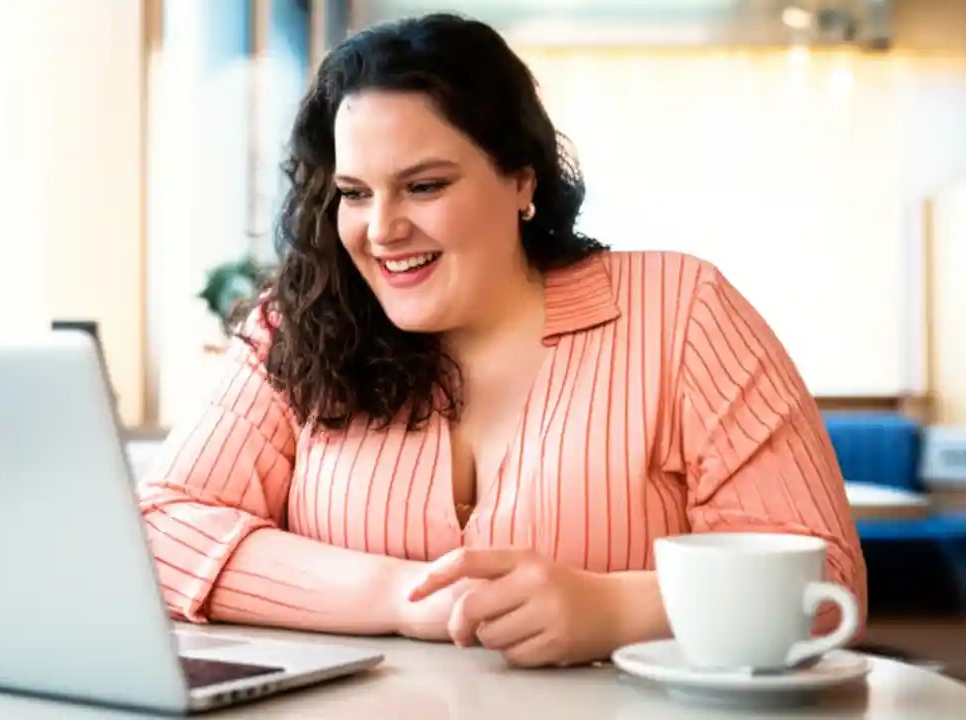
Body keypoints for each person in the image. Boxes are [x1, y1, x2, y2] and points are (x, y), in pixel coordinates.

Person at [139, 13, 866, 668]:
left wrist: (615, 610)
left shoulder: (683, 311)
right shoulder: (296, 324)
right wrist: (401, 597)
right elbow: (161, 532)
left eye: (424, 186)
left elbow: (825, 580)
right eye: (355, 193)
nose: (382, 229)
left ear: (522, 180)